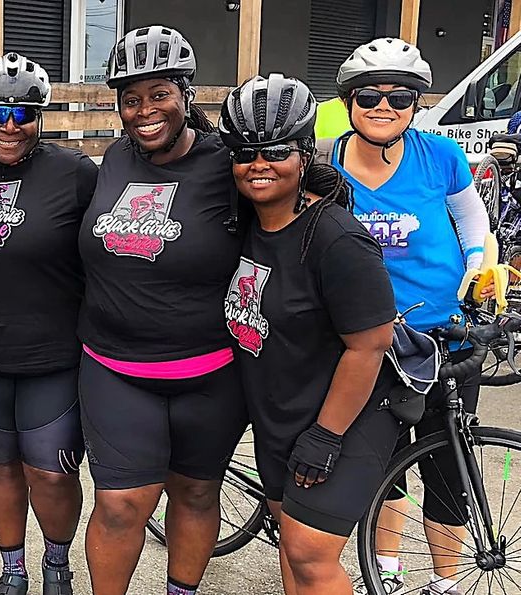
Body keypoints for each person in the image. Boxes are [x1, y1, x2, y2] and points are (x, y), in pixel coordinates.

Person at [76, 26, 249, 595]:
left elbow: (290, 211)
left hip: (211, 372)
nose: (145, 109)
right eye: (131, 98)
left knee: (197, 492)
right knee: (122, 504)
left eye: (159, 94)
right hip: (115, 368)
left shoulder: (228, 165)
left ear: (186, 94)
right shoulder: (114, 159)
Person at [219, 73, 400, 595]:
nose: (259, 163)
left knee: (309, 551)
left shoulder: (337, 238)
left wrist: (327, 435)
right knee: (290, 547)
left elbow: (370, 344)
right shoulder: (248, 223)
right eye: (245, 152)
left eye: (275, 151)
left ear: (303, 154)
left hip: (348, 414)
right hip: (281, 412)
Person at [326, 38, 491, 595]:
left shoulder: (440, 155)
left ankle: (446, 580)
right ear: (348, 100)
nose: (383, 106)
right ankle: (388, 571)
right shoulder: (324, 164)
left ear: (416, 105)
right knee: (383, 460)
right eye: (369, 95)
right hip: (367, 340)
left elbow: (474, 227)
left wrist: (478, 266)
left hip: (444, 335)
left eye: (400, 97)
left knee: (447, 466)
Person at [0, 52, 96, 595]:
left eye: (22, 114)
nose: (9, 126)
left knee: (50, 472)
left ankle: (56, 565)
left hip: (52, 355)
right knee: (0, 464)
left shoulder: (76, 173)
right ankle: (12, 570)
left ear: (41, 118)